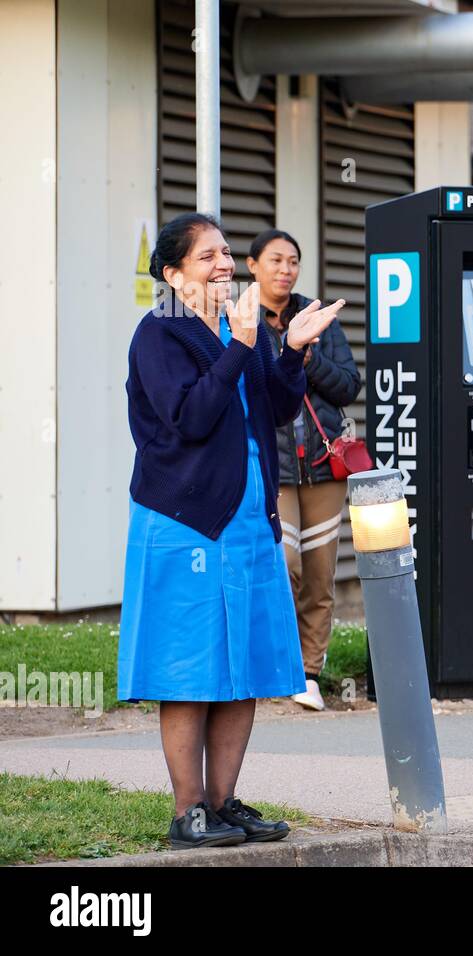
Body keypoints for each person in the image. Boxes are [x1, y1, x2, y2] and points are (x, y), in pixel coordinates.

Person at [120, 213, 344, 849]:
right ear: (172, 273)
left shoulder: (234, 325)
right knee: (190, 667)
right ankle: (187, 809)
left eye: (225, 253)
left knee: (240, 662)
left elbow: (273, 408)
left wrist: (292, 348)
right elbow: (191, 417)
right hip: (185, 520)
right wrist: (245, 346)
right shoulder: (158, 333)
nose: (224, 264)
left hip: (248, 517)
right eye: (207, 256)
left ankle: (222, 803)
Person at [246, 229, 362, 712]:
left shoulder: (318, 318)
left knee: (319, 575)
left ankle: (309, 673)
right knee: (284, 566)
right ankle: (280, 666)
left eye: (293, 261)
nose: (286, 270)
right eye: (275, 260)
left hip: (323, 464)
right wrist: (286, 355)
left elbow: (348, 386)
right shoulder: (242, 321)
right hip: (275, 467)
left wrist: (306, 358)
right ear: (252, 265)